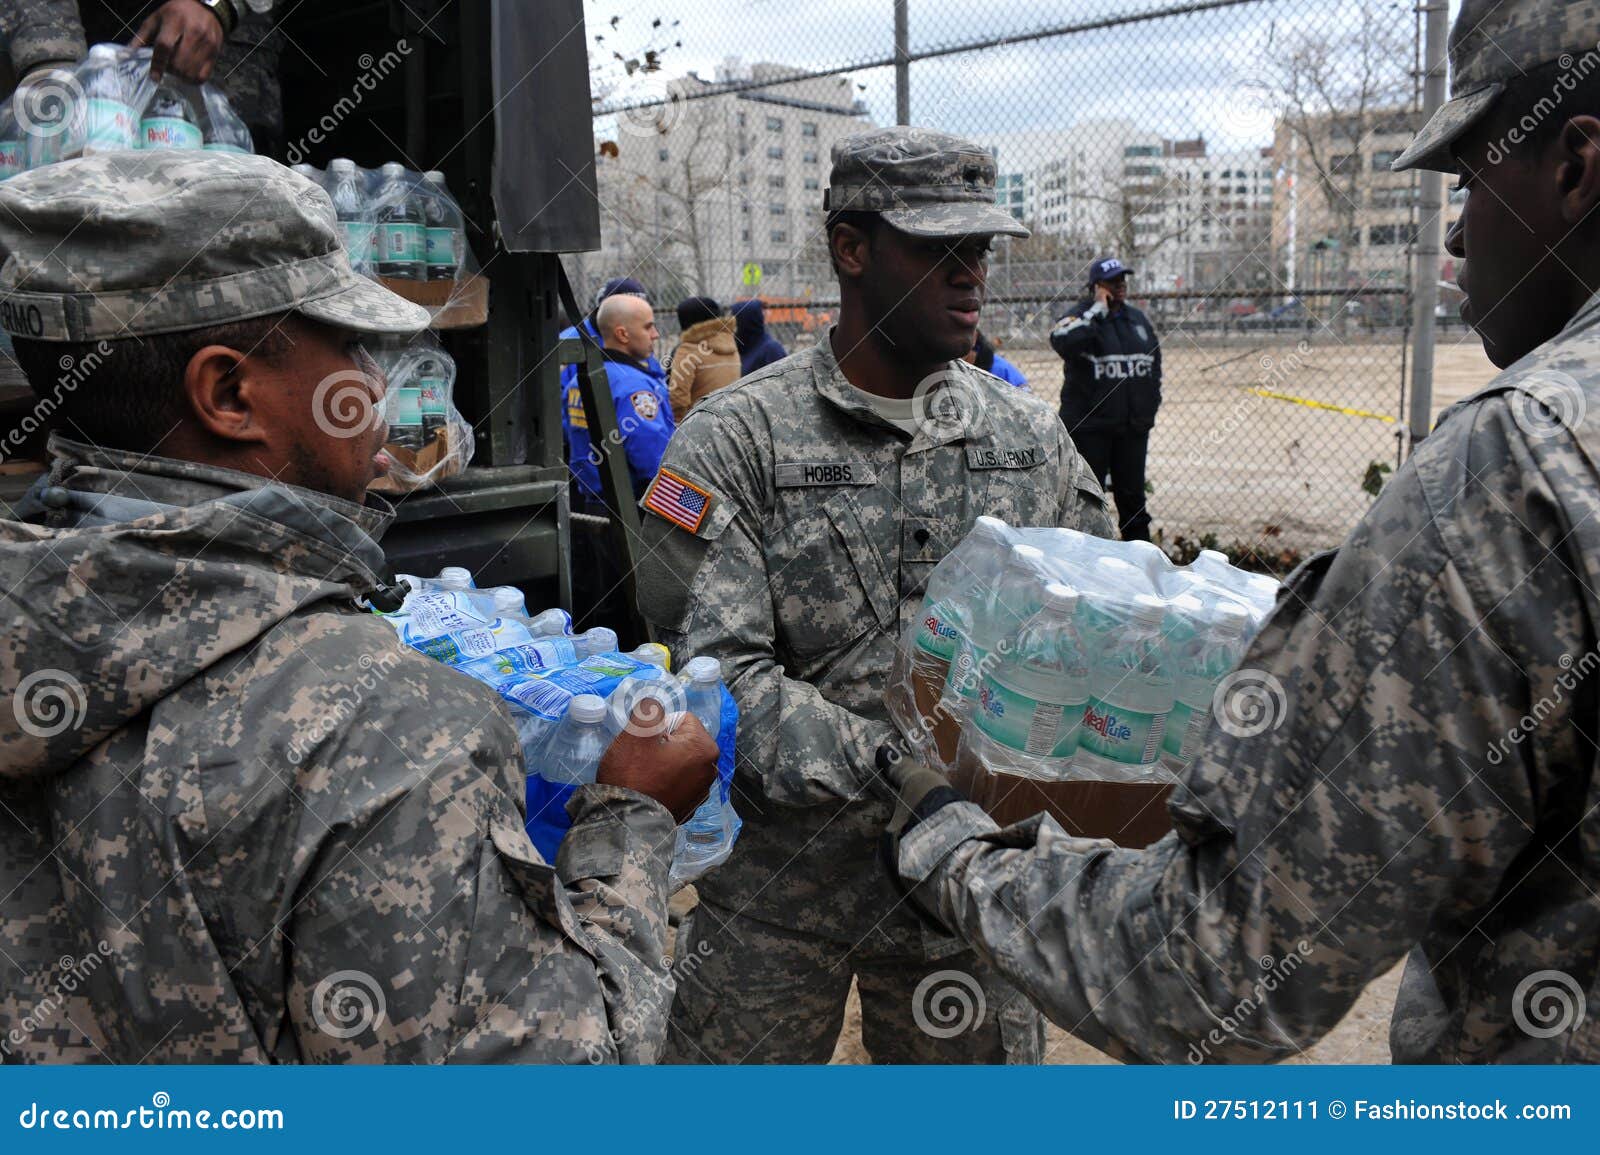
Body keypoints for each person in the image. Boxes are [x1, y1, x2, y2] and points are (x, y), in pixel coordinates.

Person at [879, 0, 1600, 1064]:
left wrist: (947, 841)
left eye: (1469, 176)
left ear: (1576, 165)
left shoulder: (1517, 470)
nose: (1453, 228)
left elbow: (1220, 973)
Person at [0, 151, 719, 1064]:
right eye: (347, 346)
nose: (377, 386)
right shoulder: (383, 735)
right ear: (228, 393)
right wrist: (631, 823)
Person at [634, 127, 1115, 1065]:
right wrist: (899, 765)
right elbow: (715, 675)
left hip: (966, 896)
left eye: (979, 250)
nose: (971, 274)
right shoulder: (738, 443)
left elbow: (1094, 621)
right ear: (851, 249)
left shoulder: (1029, 437)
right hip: (779, 893)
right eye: (940, 249)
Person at [2, 0, 285, 155]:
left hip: (217, 40)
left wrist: (219, 6)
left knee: (227, 202)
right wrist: (51, 63)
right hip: (88, 30)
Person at [563, 290, 674, 632]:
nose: (656, 334)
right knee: (635, 604)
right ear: (623, 334)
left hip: (594, 502)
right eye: (649, 326)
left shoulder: (584, 378)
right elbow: (653, 459)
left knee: (603, 596)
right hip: (632, 509)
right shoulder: (632, 386)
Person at [1050, 257, 1161, 540]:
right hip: (1091, 430)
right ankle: (1086, 564)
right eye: (1113, 281)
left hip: (1132, 428)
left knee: (1133, 501)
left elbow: (1154, 365)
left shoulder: (1136, 319)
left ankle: (1139, 565)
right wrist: (1098, 310)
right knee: (1087, 501)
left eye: (1123, 280)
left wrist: (1148, 409)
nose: (1121, 286)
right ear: (1097, 287)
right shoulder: (1080, 316)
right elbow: (1063, 341)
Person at [666, 295, 740, 422]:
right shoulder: (731, 344)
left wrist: (678, 426)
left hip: (698, 425)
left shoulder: (688, 349)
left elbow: (677, 398)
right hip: (730, 420)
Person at [730, 297, 787, 376]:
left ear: (745, 323)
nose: (731, 329)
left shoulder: (771, 350)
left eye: (735, 323)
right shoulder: (741, 348)